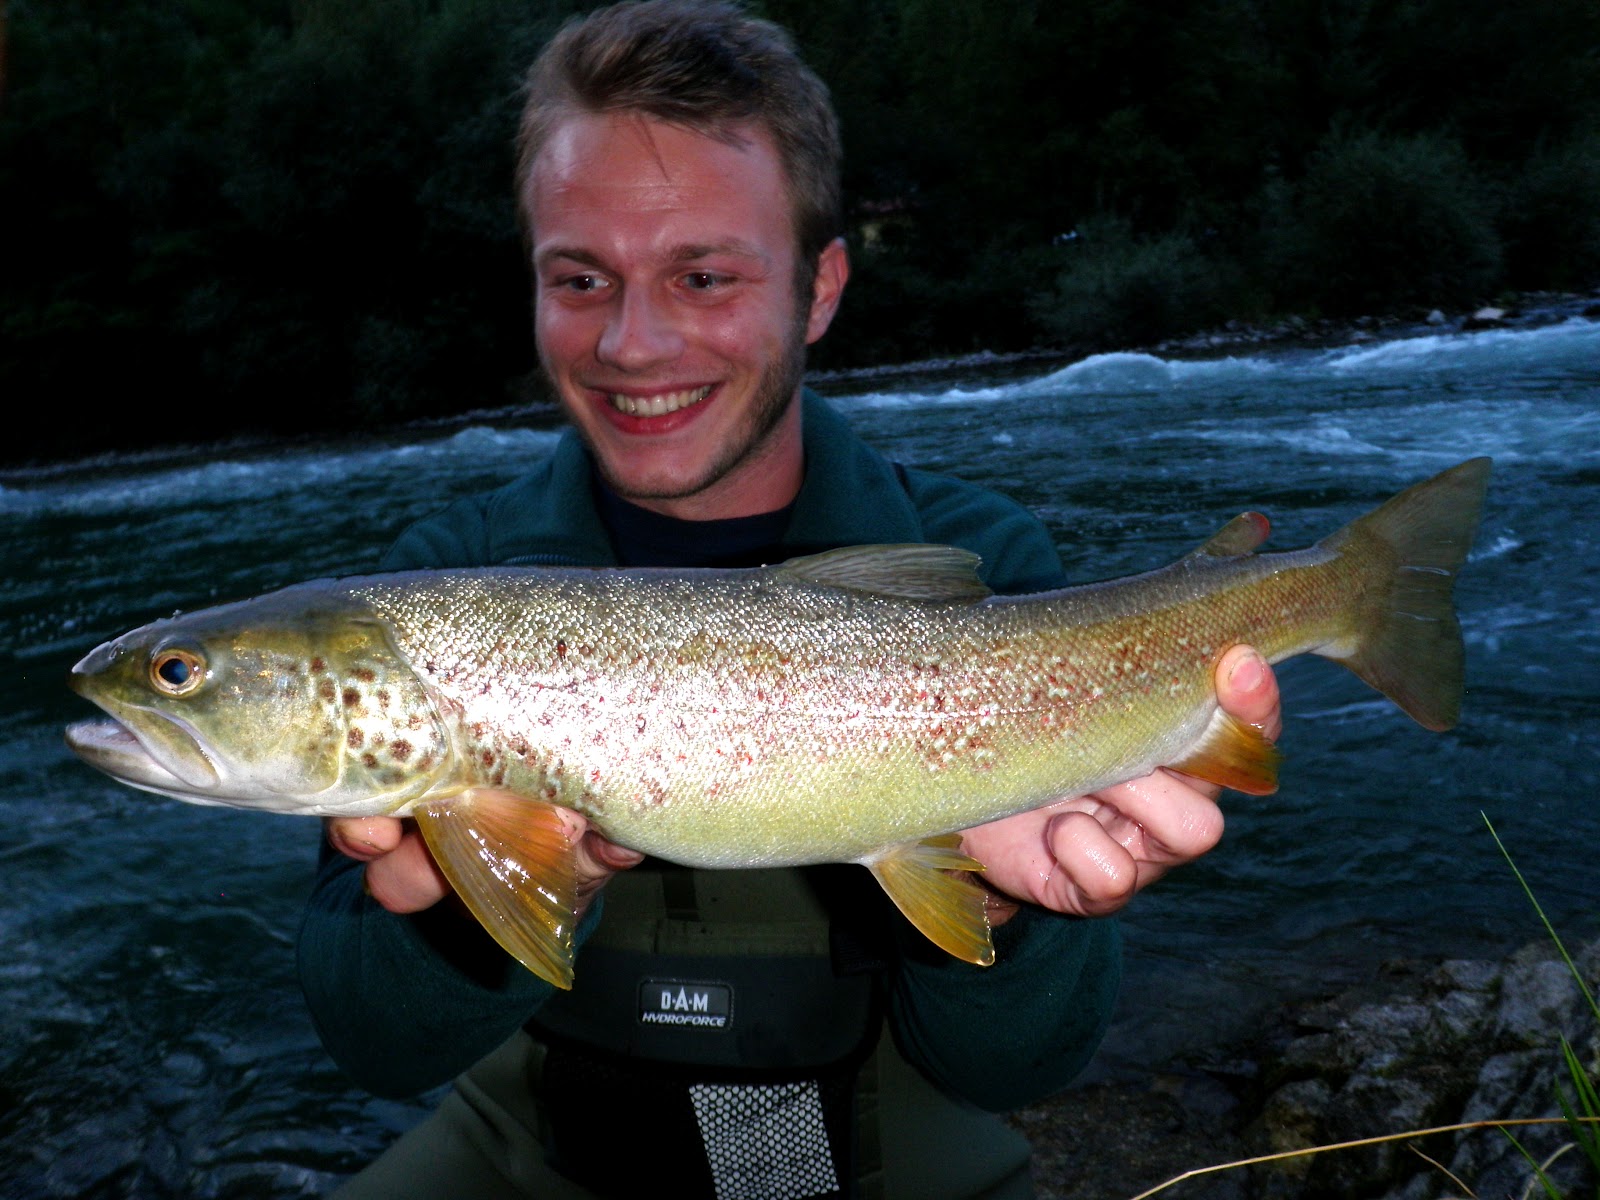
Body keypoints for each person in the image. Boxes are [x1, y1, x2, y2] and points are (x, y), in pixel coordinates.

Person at [297, 3, 1282, 1197]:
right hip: (537, 1132)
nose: (633, 340)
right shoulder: (434, 592)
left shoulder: (976, 557)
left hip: (880, 1121)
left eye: (701, 275)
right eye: (581, 277)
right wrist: (455, 915)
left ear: (818, 291)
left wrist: (1019, 919)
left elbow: (1013, 1067)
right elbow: (372, 1046)